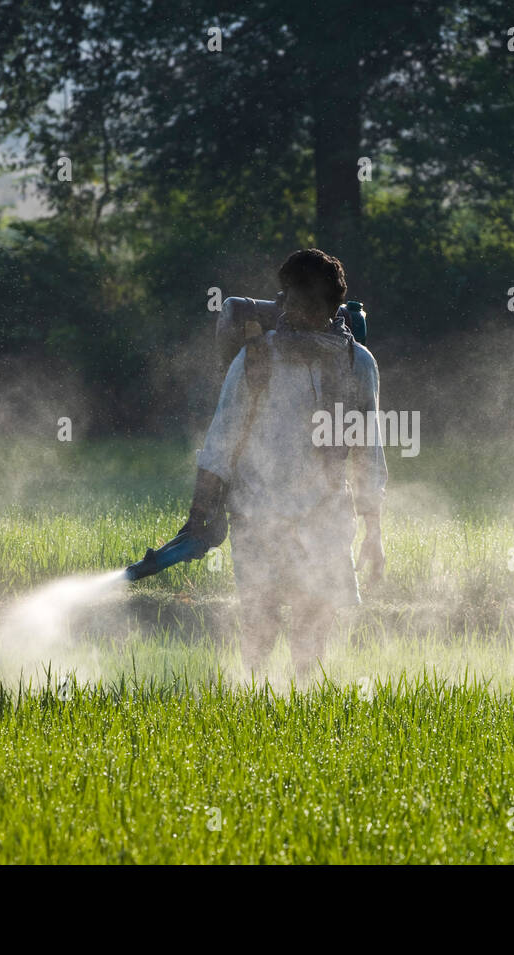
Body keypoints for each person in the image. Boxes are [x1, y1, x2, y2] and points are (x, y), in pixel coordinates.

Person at [179, 249, 387, 679]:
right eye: (297, 300)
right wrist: (199, 516)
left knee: (312, 639)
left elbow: (368, 450)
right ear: (285, 302)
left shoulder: (356, 363)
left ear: (333, 307)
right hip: (259, 513)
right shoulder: (256, 360)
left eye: (315, 304)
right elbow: (222, 439)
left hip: (326, 516)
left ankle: (302, 714)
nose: (305, 312)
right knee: (259, 628)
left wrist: (374, 531)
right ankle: (251, 704)